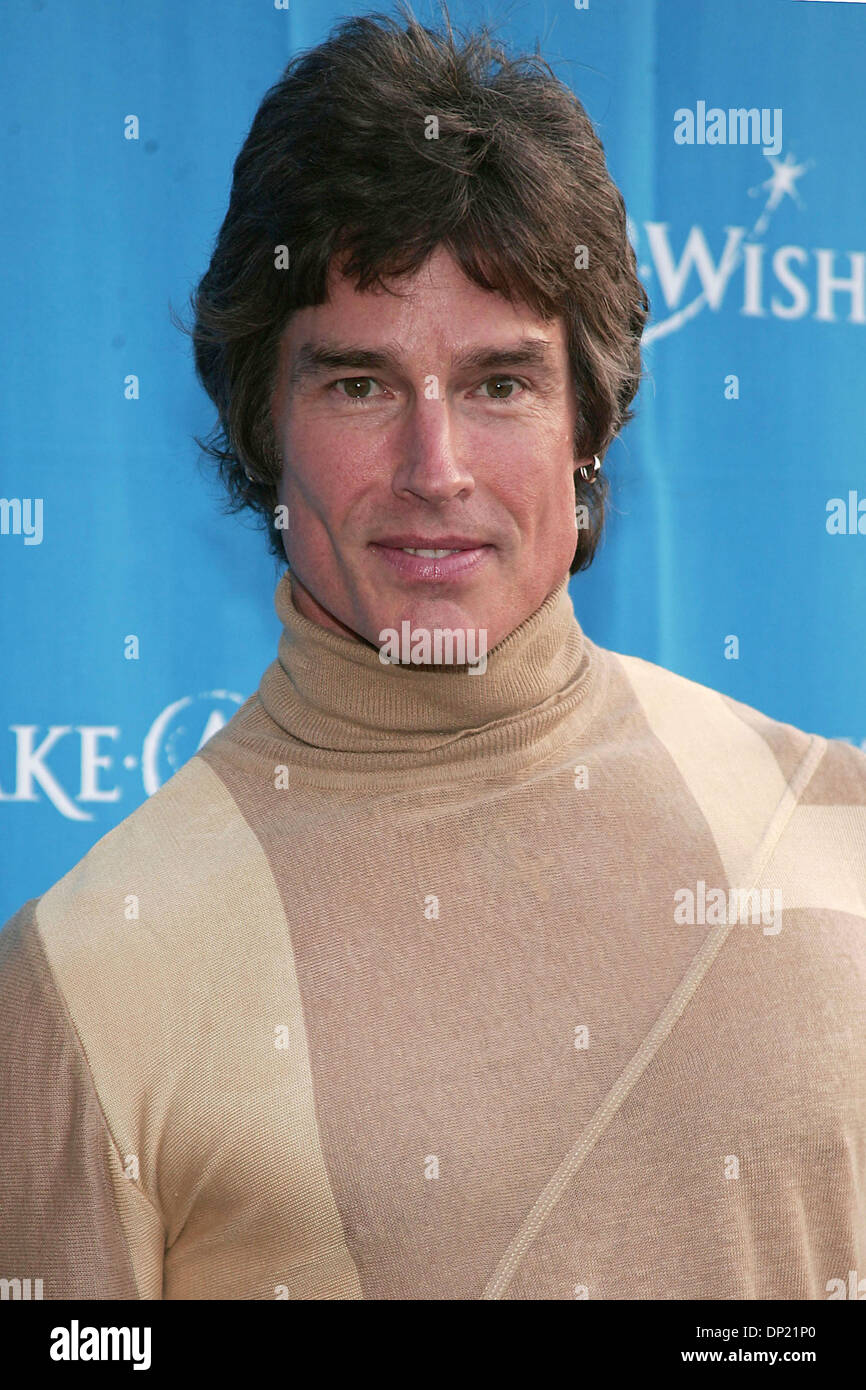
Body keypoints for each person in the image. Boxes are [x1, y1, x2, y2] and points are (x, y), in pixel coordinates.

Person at [1, 8, 864, 1302]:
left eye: (497, 383)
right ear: (261, 426)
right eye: (358, 384)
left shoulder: (832, 820)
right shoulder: (87, 983)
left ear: (590, 418)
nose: (434, 469)